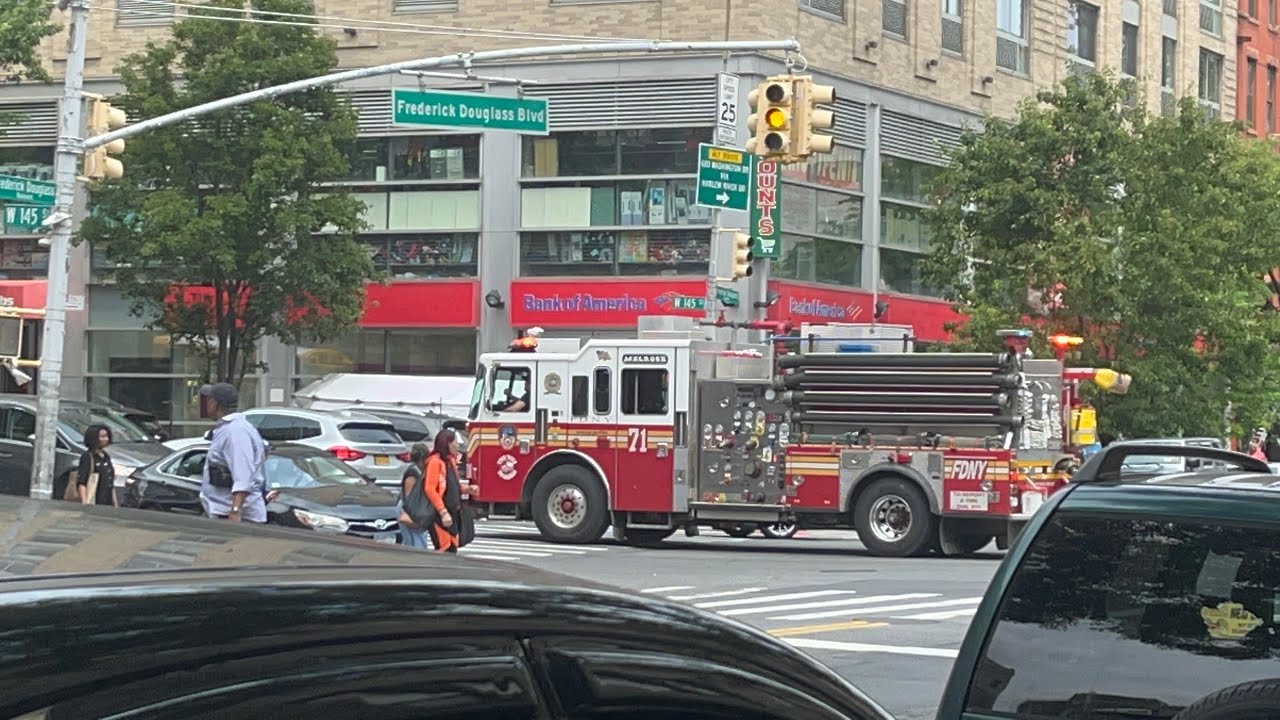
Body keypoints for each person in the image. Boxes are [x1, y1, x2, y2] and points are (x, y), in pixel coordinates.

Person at [198, 382, 271, 523]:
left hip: (237, 517)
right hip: (224, 512)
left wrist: (235, 511)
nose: (206, 404)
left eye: (208, 400)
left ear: (214, 404)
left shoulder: (235, 432)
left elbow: (243, 476)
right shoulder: (234, 428)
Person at [423, 429, 478, 553]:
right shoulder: (434, 462)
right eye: (455, 442)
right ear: (447, 444)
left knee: (453, 547)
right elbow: (430, 489)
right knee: (445, 547)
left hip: (453, 512)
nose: (458, 445)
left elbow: (452, 486)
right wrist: (443, 512)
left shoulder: (450, 461)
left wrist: (467, 489)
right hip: (439, 514)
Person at [397, 443, 431, 549]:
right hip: (410, 508)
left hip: (415, 508)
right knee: (414, 541)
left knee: (416, 540)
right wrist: (410, 514)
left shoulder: (420, 470)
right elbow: (408, 495)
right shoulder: (413, 471)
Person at [76, 424, 117, 506]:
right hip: (94, 500)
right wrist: (85, 503)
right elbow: (82, 482)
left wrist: (115, 503)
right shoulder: (88, 456)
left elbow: (110, 484)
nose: (106, 439)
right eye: (102, 436)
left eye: (107, 436)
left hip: (107, 502)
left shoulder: (106, 456)